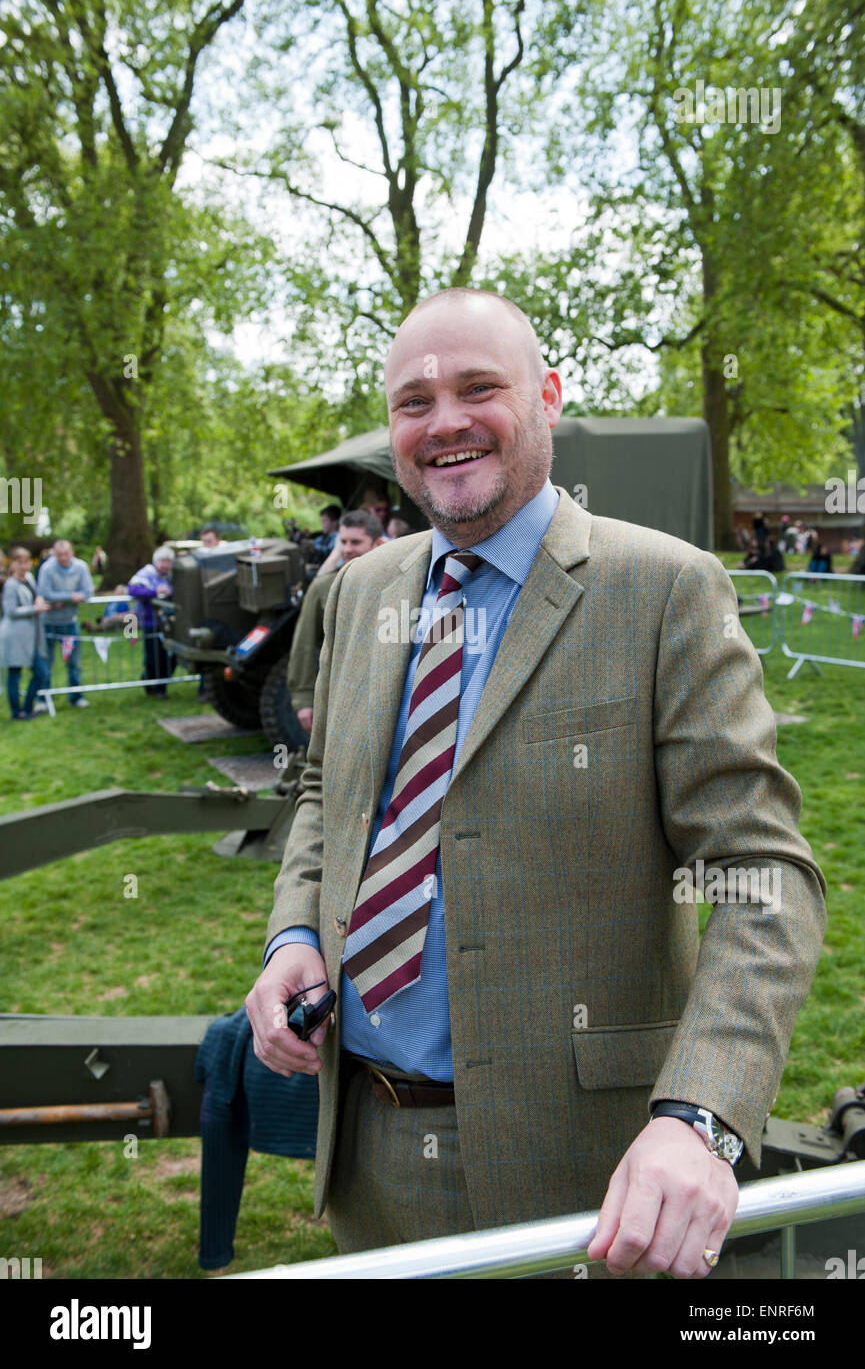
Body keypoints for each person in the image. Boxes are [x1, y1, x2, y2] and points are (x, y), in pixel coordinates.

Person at [245, 288, 826, 1280]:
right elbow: (321, 796)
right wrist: (295, 932)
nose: (445, 422)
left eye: (480, 387)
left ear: (548, 397)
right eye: (413, 401)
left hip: (584, 1172)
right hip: (366, 1148)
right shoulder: (359, 591)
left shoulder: (664, 590)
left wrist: (700, 1113)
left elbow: (761, 875)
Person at [287, 511, 384, 735]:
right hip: (340, 697)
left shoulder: (403, 582)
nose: (348, 549)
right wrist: (303, 697)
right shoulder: (323, 587)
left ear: (377, 543)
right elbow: (304, 644)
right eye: (343, 541)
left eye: (356, 542)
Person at [36, 539, 93, 708]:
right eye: (59, 554)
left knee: (74, 662)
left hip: (70, 622)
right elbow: (44, 592)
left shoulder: (81, 567)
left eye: (66, 554)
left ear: (72, 552)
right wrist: (70, 597)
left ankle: (76, 696)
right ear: (54, 554)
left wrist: (62, 598)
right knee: (46, 661)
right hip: (48, 622)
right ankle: (43, 698)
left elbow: (88, 591)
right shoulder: (47, 569)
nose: (63, 558)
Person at [0, 544, 51, 720]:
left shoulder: (29, 578)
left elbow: (35, 596)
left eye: (26, 561)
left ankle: (27, 707)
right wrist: (34, 609)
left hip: (30, 636)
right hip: (14, 636)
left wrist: (39, 601)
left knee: (41, 672)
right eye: (19, 562)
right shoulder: (10, 585)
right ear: (12, 563)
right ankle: (17, 712)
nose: (24, 566)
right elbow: (11, 611)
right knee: (15, 673)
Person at [128, 548, 175, 696]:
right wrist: (155, 592)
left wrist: (169, 592)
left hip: (168, 623)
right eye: (162, 561)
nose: (165, 565)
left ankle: (160, 685)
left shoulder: (169, 577)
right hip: (151, 623)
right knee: (153, 657)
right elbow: (133, 590)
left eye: (168, 562)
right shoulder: (146, 574)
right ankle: (151, 683)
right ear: (156, 561)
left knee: (169, 657)